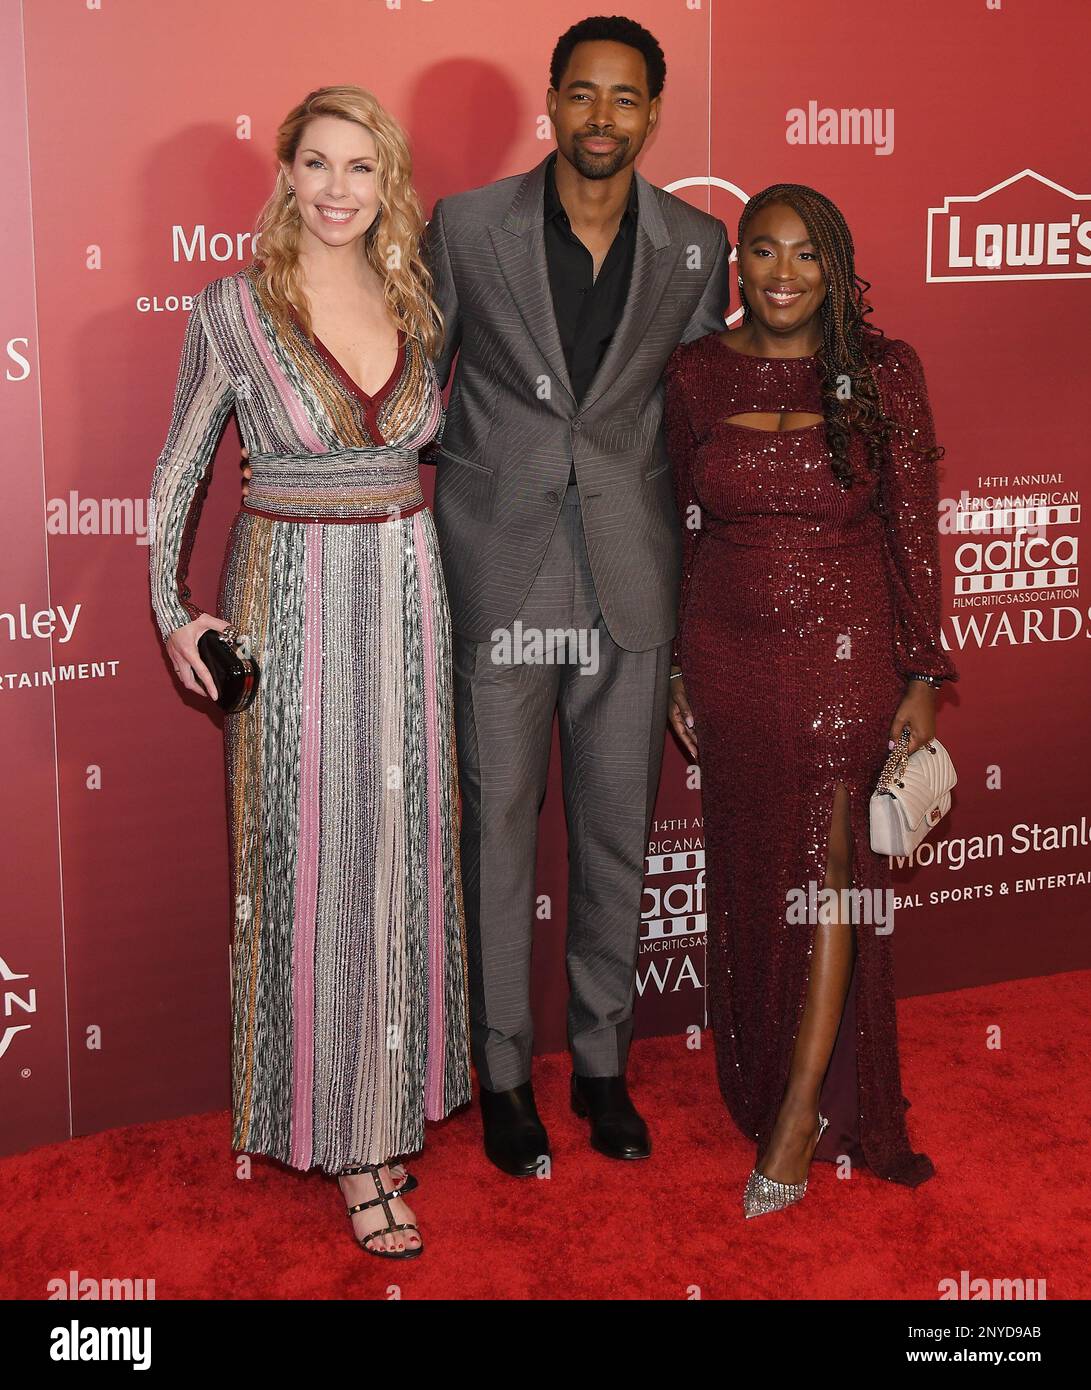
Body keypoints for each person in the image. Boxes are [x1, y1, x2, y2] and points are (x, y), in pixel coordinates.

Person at [149, 86, 469, 1258]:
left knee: (396, 864)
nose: (338, 189)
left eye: (362, 168)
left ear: (388, 183)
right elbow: (179, 469)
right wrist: (172, 611)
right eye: (317, 164)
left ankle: (386, 1117)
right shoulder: (233, 308)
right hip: (284, 600)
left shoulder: (419, 297)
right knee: (308, 868)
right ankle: (341, 1142)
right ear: (286, 173)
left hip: (404, 592)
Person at [423, 15, 730, 1175]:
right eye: (583, 95)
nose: (602, 118)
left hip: (629, 581)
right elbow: (416, 378)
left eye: (626, 99)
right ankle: (501, 1072)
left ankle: (602, 1063)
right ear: (552, 101)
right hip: (499, 575)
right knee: (496, 832)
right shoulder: (465, 226)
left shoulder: (698, 245)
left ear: (653, 112)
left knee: (616, 835)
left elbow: (698, 423)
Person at [664, 184, 956, 1217]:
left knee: (829, 867)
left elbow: (910, 532)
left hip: (846, 660)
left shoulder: (883, 372)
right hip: (727, 658)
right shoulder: (695, 374)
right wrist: (670, 670)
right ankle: (767, 1069)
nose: (780, 273)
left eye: (803, 254)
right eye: (759, 252)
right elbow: (681, 529)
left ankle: (796, 1116)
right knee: (756, 872)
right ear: (736, 264)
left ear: (834, 265)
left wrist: (922, 673)